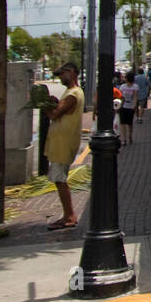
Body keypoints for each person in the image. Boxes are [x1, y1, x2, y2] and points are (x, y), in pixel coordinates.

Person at [45, 63, 84, 230]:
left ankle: (69, 216)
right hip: (61, 142)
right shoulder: (70, 92)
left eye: (63, 74)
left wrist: (44, 104)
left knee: (60, 179)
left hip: (63, 143)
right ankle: (68, 214)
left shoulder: (73, 94)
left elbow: (54, 114)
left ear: (72, 73)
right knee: (59, 179)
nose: (60, 77)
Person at [117, 72, 137, 145]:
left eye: (125, 77)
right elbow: (120, 97)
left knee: (130, 123)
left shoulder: (135, 87)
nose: (124, 79)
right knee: (122, 123)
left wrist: (134, 106)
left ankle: (130, 136)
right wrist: (119, 106)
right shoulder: (122, 87)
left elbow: (135, 97)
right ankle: (123, 139)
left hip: (130, 106)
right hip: (123, 106)